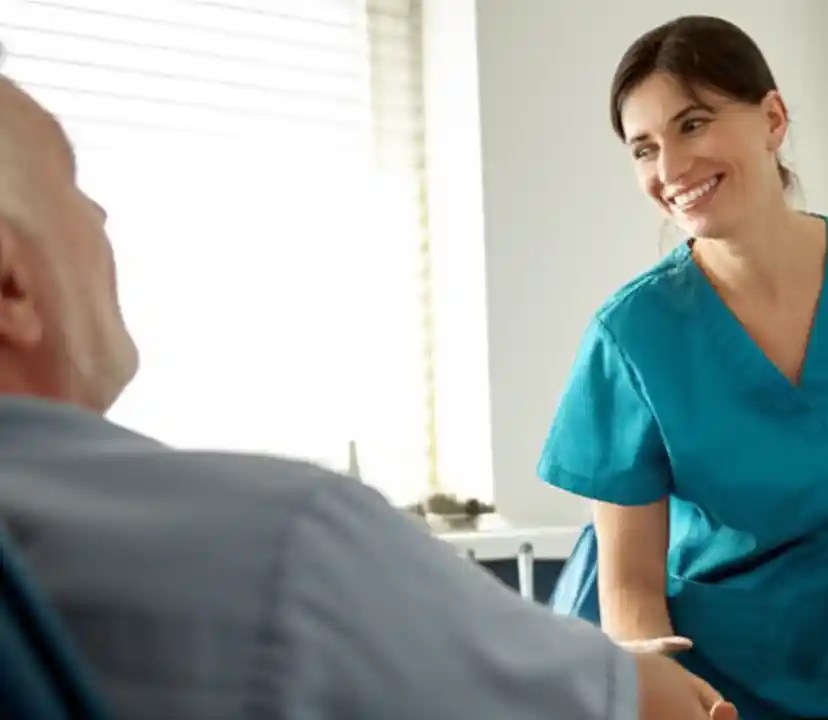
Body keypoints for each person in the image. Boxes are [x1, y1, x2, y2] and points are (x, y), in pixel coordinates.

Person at [0, 74, 738, 720]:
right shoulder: (288, 544)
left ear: (772, 121)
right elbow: (638, 692)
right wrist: (643, 680)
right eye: (70, 183)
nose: (99, 216)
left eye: (693, 123)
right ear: (9, 283)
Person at [538, 15, 828, 720]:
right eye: (644, 149)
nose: (669, 170)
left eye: (693, 124)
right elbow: (630, 588)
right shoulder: (633, 334)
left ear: (772, 117)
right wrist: (663, 688)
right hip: (700, 685)